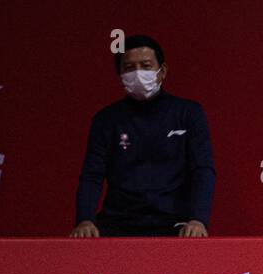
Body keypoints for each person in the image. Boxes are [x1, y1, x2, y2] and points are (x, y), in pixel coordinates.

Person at [71, 35, 215, 238]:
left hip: (175, 223)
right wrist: (84, 220)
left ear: (162, 71)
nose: (138, 73)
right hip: (117, 223)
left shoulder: (188, 113)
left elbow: (203, 170)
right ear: (120, 74)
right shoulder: (106, 120)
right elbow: (92, 175)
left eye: (145, 66)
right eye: (129, 68)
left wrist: (198, 220)